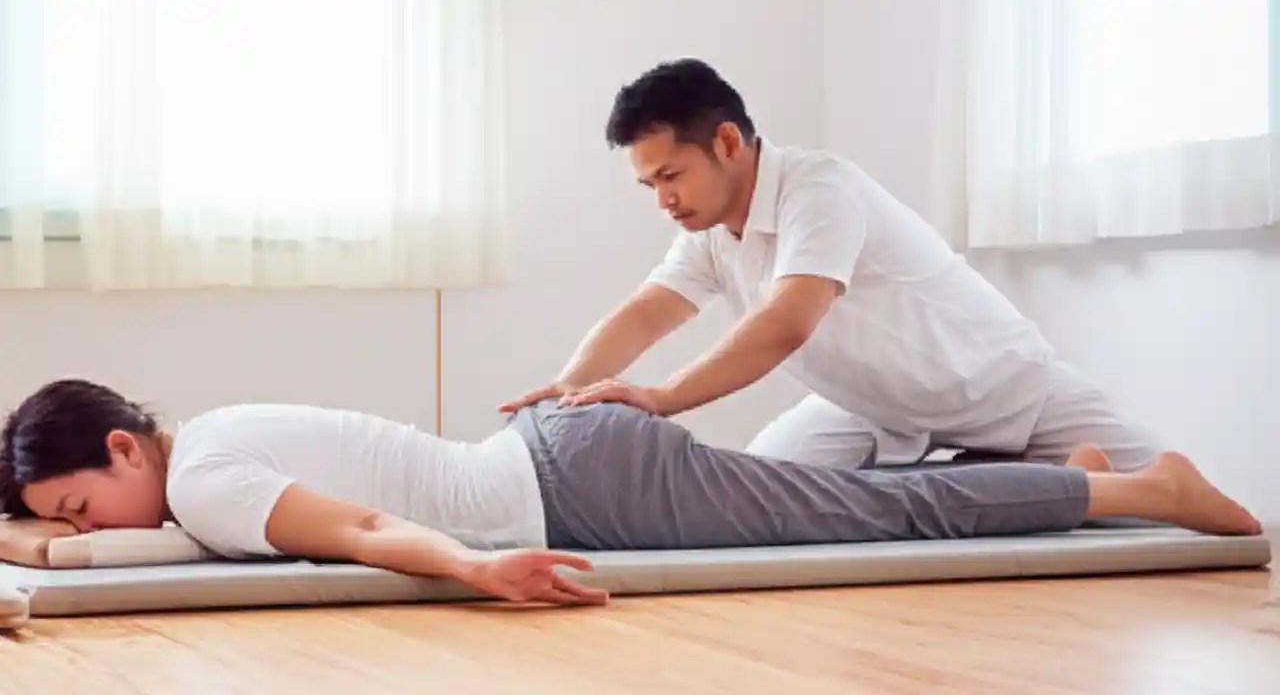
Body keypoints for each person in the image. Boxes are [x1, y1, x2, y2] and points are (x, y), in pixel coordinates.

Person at [0, 380, 1261, 607]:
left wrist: (483, 571)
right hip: (571, 460)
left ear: (124, 450)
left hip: (570, 491)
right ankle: (1066, 481)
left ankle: (1137, 488)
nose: (85, 535)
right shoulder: (213, 431)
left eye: (73, 510)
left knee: (868, 518)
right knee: (810, 496)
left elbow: (374, 533)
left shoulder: (210, 482)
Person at [501, 58, 1165, 472]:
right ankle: (1042, 484)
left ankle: (1061, 477)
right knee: (755, 499)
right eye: (650, 186)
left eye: (671, 175)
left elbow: (787, 322)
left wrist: (662, 399)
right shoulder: (706, 229)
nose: (664, 199)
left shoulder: (820, 190)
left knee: (1221, 527)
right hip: (870, 407)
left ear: (727, 142)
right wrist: (568, 386)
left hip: (999, 386)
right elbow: (647, 313)